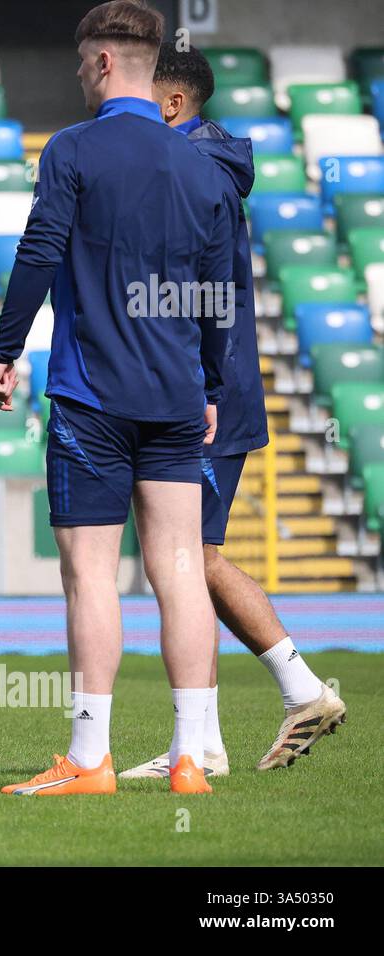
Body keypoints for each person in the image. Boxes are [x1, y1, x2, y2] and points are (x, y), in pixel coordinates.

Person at [0, 0, 232, 795]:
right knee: (183, 568)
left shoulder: (74, 148)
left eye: (79, 64)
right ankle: (191, 757)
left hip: (93, 394)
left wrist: (3, 350)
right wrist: (214, 384)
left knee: (90, 573)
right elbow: (216, 291)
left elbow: (40, 250)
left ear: (99, 63)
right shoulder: (205, 165)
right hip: (176, 395)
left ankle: (90, 759)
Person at [118, 43, 346, 779]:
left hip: (203, 394)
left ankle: (295, 691)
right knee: (189, 560)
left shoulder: (192, 174)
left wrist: (195, 384)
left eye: (137, 89)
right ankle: (213, 737)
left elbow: (194, 294)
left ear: (173, 103)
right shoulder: (198, 167)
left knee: (188, 560)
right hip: (198, 387)